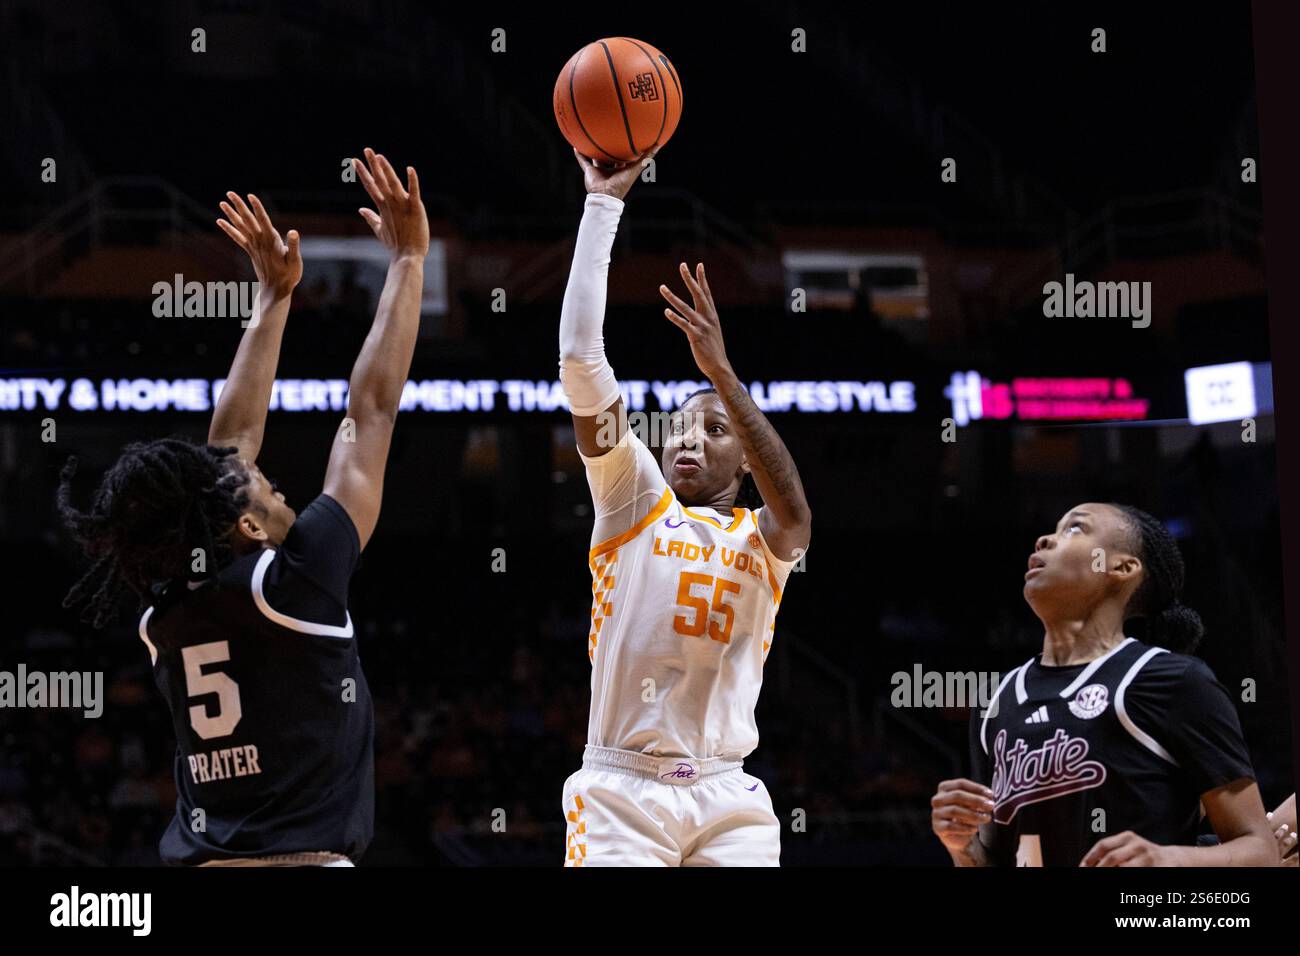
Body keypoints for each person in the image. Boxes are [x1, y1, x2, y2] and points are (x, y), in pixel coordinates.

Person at [57, 149, 428, 866]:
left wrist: (273, 301)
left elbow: (223, 457)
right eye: (266, 488)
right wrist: (409, 260)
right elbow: (370, 412)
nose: (274, 481)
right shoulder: (297, 583)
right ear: (249, 527)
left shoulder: (163, 614)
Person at [556, 148, 812, 866]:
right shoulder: (633, 499)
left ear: (746, 456)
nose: (688, 437)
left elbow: (795, 512)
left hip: (729, 800)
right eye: (679, 426)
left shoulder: (766, 538)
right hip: (621, 791)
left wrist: (722, 378)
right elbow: (580, 361)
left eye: (714, 429)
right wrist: (603, 205)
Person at [930, 503, 1278, 866]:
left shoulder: (1171, 681)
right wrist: (962, 847)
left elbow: (1261, 850)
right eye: (1054, 528)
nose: (1044, 539)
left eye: (1076, 529)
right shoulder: (995, 700)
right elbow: (993, 860)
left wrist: (1167, 858)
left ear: (1123, 568)